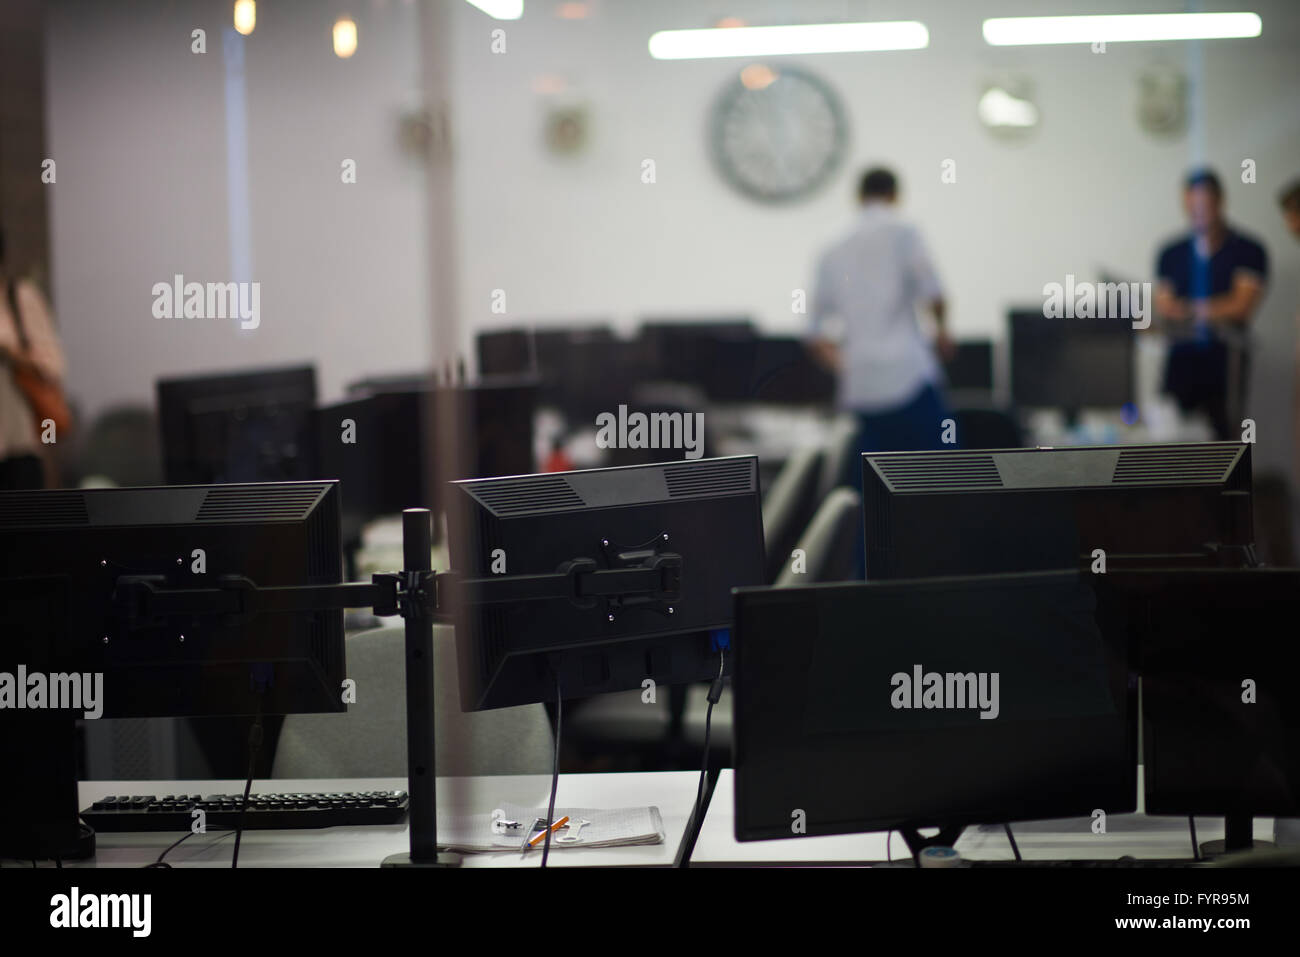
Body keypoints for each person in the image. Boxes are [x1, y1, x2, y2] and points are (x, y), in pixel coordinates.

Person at [807, 167, 955, 492]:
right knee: (940, 490)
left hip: (861, 389)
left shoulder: (831, 244)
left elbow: (815, 335)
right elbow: (935, 295)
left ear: (858, 197)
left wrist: (847, 366)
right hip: (910, 379)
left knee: (868, 503)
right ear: (895, 195)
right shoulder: (905, 231)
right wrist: (943, 334)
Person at [1154, 168, 1269, 441]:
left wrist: (1190, 309)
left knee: (1224, 444)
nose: (1198, 213)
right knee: (1173, 446)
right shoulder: (1171, 252)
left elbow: (1240, 306)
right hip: (1180, 366)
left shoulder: (1248, 250)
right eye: (1191, 206)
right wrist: (1208, 310)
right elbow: (1165, 305)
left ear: (1220, 201)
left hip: (1225, 367)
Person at [0, 227, 66, 490]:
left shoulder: (19, 297)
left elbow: (53, 365)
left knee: (24, 524)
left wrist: (10, 349)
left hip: (17, 443)